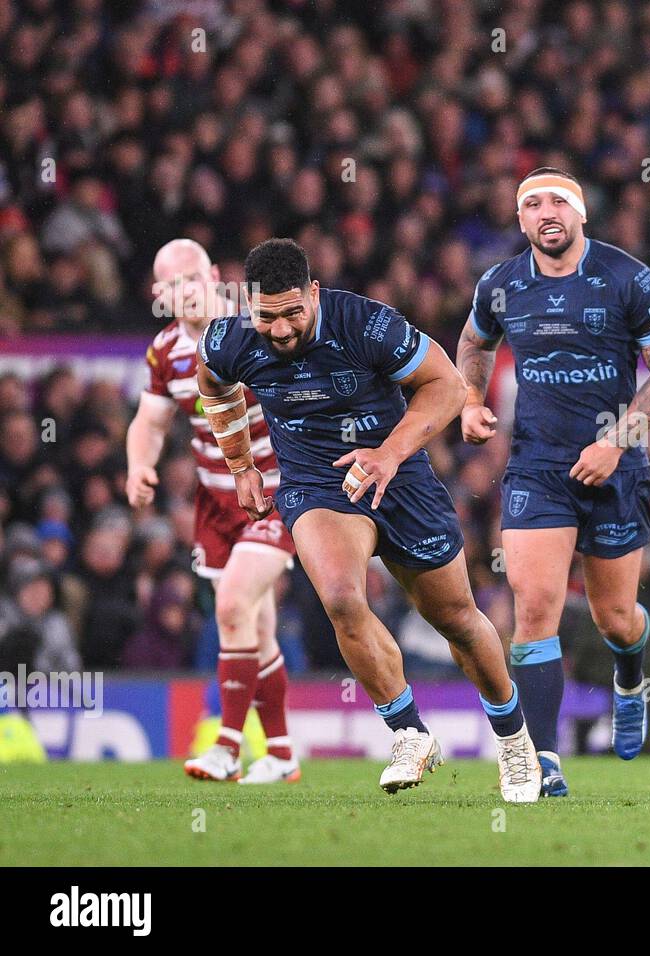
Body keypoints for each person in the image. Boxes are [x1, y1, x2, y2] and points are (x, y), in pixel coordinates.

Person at [196, 237, 541, 802]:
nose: (279, 331)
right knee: (339, 596)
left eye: (291, 315)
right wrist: (240, 464)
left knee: (455, 617)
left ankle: (514, 740)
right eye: (266, 318)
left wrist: (388, 454)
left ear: (313, 293)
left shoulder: (367, 324)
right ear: (247, 306)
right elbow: (214, 387)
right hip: (316, 484)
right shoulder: (229, 340)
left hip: (397, 477)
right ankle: (408, 732)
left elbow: (448, 386)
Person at [456, 168, 650, 797]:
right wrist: (471, 398)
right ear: (521, 219)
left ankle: (630, 675)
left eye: (558, 200)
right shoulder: (500, 284)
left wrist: (617, 441)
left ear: (581, 214)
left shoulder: (628, 278)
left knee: (615, 617)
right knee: (532, 611)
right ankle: (544, 759)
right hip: (537, 466)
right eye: (531, 203)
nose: (545, 211)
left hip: (617, 464)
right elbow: (474, 343)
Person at [126, 239, 299, 784]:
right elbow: (150, 424)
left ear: (216, 276)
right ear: (159, 293)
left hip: (276, 491)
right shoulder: (165, 354)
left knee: (230, 606)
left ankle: (226, 746)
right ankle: (280, 752)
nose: (185, 293)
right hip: (216, 503)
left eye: (193, 279)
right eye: (172, 285)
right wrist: (138, 467)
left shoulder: (258, 327)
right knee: (256, 627)